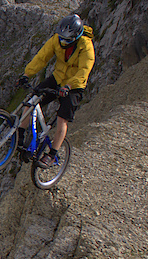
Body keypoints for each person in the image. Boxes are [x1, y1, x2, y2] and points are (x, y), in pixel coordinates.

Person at [17, 14, 94, 167]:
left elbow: (83, 71)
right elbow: (42, 57)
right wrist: (27, 74)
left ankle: (52, 154)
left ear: (76, 37)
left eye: (67, 40)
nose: (63, 42)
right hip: (58, 78)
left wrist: (69, 86)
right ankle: (19, 136)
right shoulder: (56, 39)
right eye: (61, 38)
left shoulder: (86, 47)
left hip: (74, 86)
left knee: (62, 119)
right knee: (32, 101)